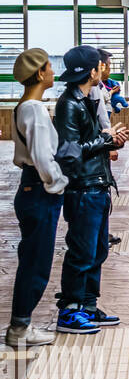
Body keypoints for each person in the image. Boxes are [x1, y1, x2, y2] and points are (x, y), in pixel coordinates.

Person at [53, 45, 128, 335]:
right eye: (99, 66)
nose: (103, 71)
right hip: (83, 188)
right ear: (91, 71)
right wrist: (105, 142)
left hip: (97, 185)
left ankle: (87, 304)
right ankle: (70, 311)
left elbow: (90, 142)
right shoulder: (70, 104)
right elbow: (70, 153)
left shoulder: (84, 99)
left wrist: (110, 139)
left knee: (97, 250)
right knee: (82, 252)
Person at [5, 49, 68, 348]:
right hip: (39, 191)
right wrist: (58, 184)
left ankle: (21, 325)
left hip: (29, 189)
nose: (54, 73)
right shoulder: (35, 109)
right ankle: (20, 328)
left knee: (32, 259)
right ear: (40, 74)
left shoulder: (23, 106)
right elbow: (43, 157)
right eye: (50, 68)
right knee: (36, 262)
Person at [92, 49, 122, 248]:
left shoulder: (98, 87)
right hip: (99, 146)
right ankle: (100, 236)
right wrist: (109, 143)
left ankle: (102, 234)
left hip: (102, 142)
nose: (110, 68)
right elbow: (102, 118)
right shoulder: (95, 90)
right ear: (100, 67)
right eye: (108, 65)